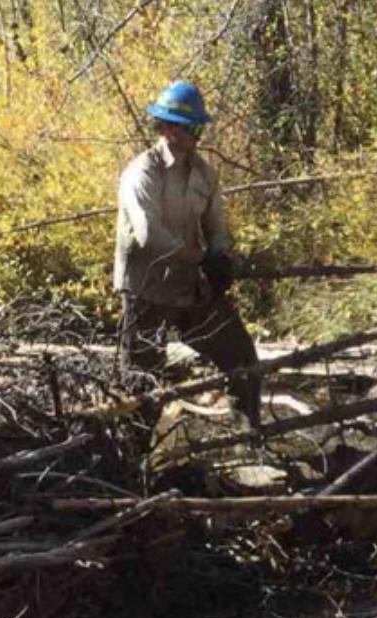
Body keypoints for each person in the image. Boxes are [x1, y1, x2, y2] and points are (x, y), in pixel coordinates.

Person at [113, 80, 261, 427]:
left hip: (189, 287)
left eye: (198, 128)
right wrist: (198, 257)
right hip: (146, 289)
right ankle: (133, 468)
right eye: (189, 127)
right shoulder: (141, 173)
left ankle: (249, 443)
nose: (196, 135)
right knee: (141, 386)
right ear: (167, 128)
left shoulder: (204, 174)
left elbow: (216, 227)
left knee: (244, 362)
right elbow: (148, 234)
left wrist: (222, 258)